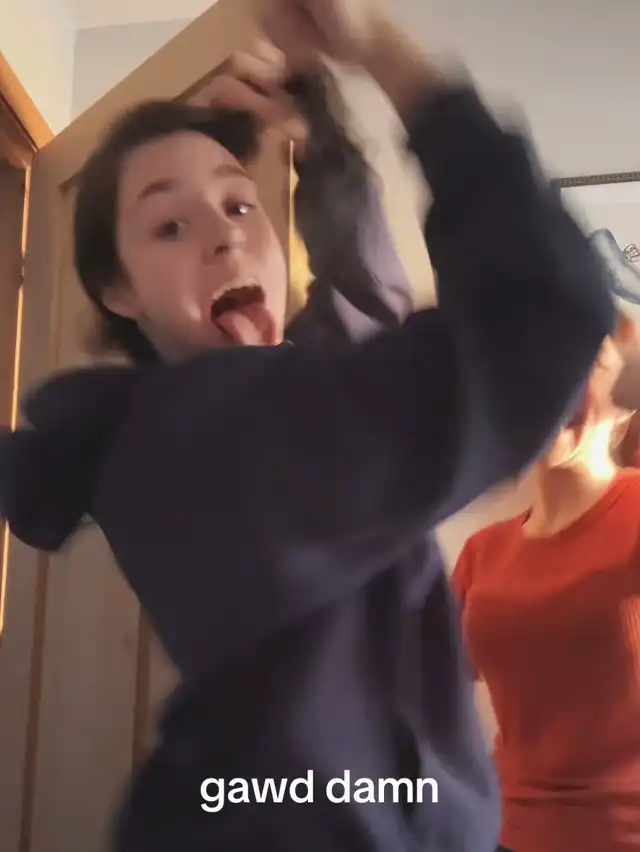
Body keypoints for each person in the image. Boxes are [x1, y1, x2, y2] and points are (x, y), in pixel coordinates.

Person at [0, 0, 614, 849]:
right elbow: (540, 318)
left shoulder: (249, 402)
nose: (225, 239)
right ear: (119, 291)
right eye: (170, 224)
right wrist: (386, 55)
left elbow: (365, 297)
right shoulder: (207, 434)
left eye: (240, 205)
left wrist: (325, 135)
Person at [452, 308, 640, 852]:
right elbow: (421, 691)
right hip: (503, 833)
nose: (554, 384)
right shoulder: (482, 552)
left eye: (585, 364)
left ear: (624, 402)